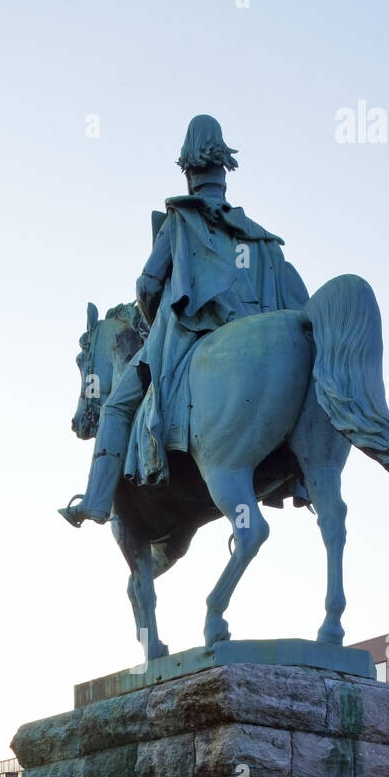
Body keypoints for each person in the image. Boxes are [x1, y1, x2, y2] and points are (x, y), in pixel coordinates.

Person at [60, 114, 309, 528]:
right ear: (223, 169)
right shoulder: (260, 238)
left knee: (117, 408)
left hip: (187, 334)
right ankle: (299, 477)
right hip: (255, 345)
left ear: (188, 167)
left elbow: (145, 285)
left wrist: (157, 320)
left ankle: (97, 501)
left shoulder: (180, 221)